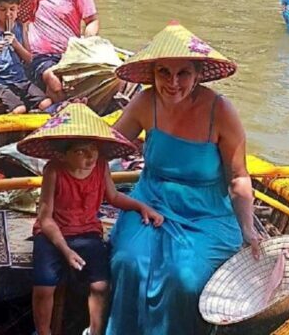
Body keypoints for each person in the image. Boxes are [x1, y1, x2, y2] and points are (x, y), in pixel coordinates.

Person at [105, 22, 262, 335]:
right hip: (149, 201)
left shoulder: (221, 111)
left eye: (183, 74)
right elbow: (106, 148)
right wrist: (100, 187)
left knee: (184, 278)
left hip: (205, 213)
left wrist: (248, 227)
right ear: (153, 74)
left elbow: (239, 178)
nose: (172, 83)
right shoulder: (144, 102)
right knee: (127, 261)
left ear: (198, 74)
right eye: (164, 72)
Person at [16, 104, 163, 335]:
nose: (90, 156)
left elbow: (113, 197)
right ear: (64, 154)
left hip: (87, 232)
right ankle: (44, 332)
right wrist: (65, 250)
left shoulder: (101, 166)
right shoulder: (54, 171)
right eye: (81, 151)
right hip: (54, 234)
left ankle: (95, 331)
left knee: (101, 286)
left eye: (93, 149)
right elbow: (45, 219)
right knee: (44, 288)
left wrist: (141, 207)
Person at [8, 0, 99, 102]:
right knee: (52, 77)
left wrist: (86, 44)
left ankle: (59, 105)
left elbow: (92, 21)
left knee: (106, 75)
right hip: (38, 57)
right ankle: (65, 112)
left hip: (70, 54)